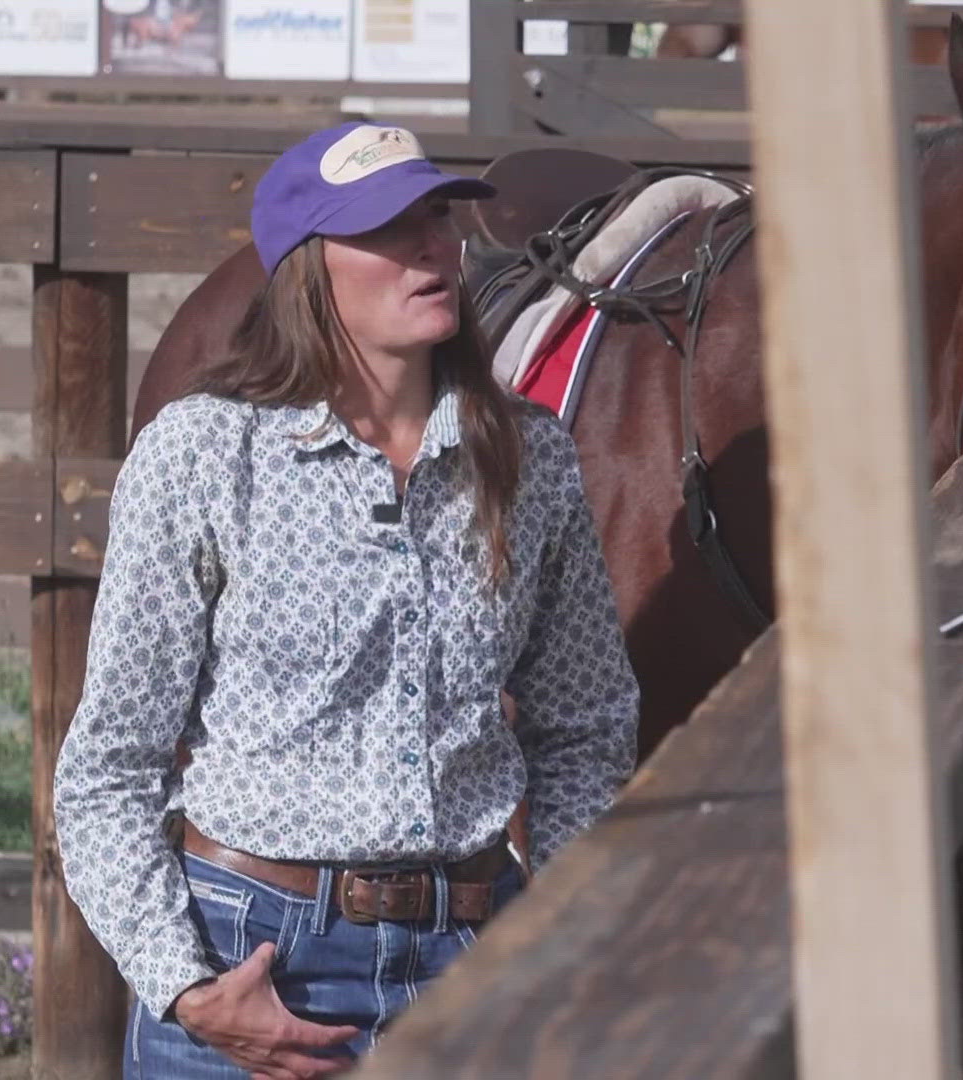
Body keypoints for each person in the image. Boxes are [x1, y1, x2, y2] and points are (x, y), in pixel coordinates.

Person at [53, 121, 640, 1079]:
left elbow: (588, 725)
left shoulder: (529, 461)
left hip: (477, 956)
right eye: (386, 227)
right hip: (254, 961)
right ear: (307, 270)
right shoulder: (203, 458)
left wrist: (559, 923)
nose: (431, 245)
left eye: (437, 217)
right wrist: (188, 988)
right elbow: (110, 766)